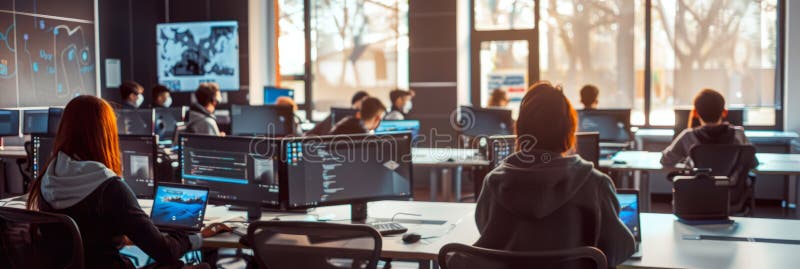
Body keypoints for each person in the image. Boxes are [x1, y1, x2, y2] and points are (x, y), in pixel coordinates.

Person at [26, 95, 203, 269]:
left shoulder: (47, 179)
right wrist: (194, 237)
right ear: (105, 133)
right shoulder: (109, 187)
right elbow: (165, 251)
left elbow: (83, 233)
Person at [474, 81, 635, 267]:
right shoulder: (596, 184)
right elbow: (619, 249)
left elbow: (486, 235)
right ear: (569, 131)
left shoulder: (493, 183)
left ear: (521, 131)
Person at [661, 89, 753, 166]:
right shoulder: (738, 134)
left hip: (699, 187)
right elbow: (752, 162)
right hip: (731, 187)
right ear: (724, 112)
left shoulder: (688, 136)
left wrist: (686, 162)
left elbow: (665, 160)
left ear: (695, 113)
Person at [305, 91, 370, 136]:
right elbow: (313, 132)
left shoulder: (363, 120)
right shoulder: (341, 115)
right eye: (363, 101)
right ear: (356, 101)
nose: (366, 104)